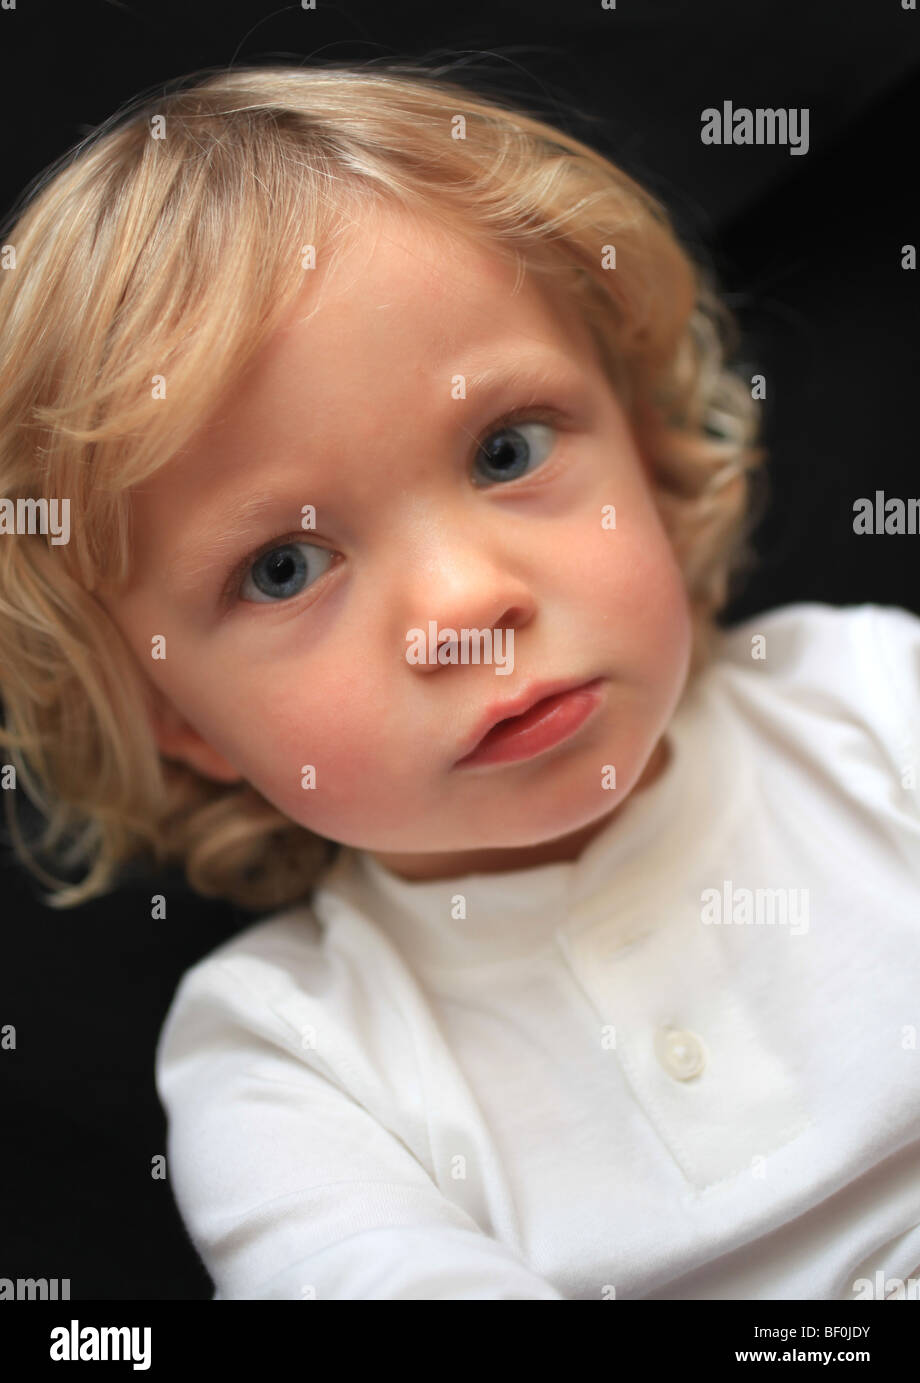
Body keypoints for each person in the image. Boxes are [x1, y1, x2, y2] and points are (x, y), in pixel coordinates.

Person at [1, 63, 917, 1301]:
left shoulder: (869, 704)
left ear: (642, 441)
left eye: (505, 450)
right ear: (173, 713)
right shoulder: (283, 1056)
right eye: (283, 567)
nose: (460, 607)